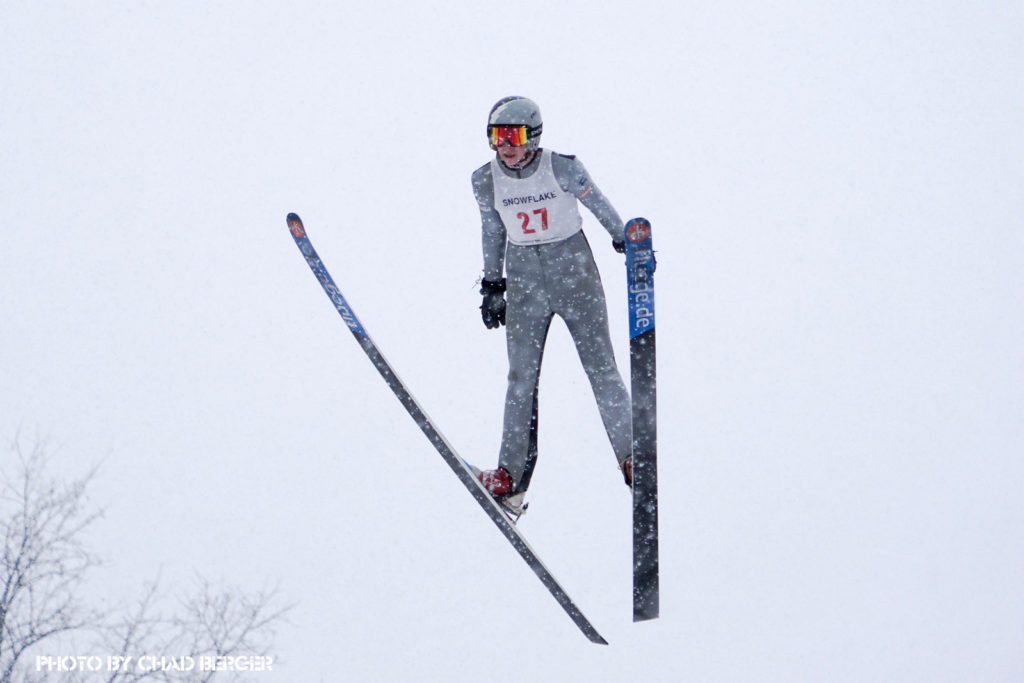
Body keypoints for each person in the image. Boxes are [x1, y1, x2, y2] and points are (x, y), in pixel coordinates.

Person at [471, 96, 633, 515]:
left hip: (572, 271)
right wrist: (493, 284)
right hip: (525, 277)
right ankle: (510, 479)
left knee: (601, 368)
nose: (505, 146)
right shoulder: (485, 180)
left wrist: (626, 240)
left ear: (533, 135)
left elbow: (598, 204)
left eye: (513, 136)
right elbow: (492, 229)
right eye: (496, 137)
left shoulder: (562, 166)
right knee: (520, 378)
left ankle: (633, 458)